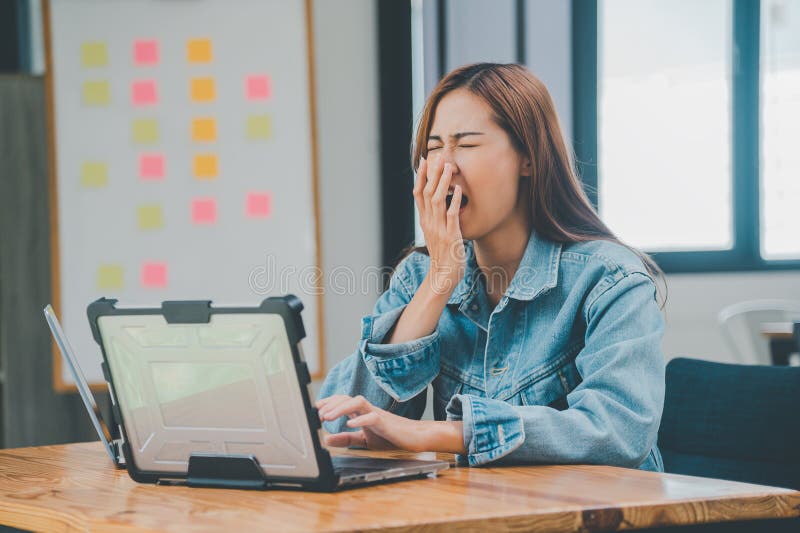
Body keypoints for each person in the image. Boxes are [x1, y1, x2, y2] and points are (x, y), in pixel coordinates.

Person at [316, 62, 666, 470]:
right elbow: (343, 425)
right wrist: (439, 282)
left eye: (465, 145)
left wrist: (437, 435)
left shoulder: (609, 279)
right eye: (433, 148)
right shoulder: (420, 276)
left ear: (528, 158)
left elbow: (620, 431)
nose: (445, 168)